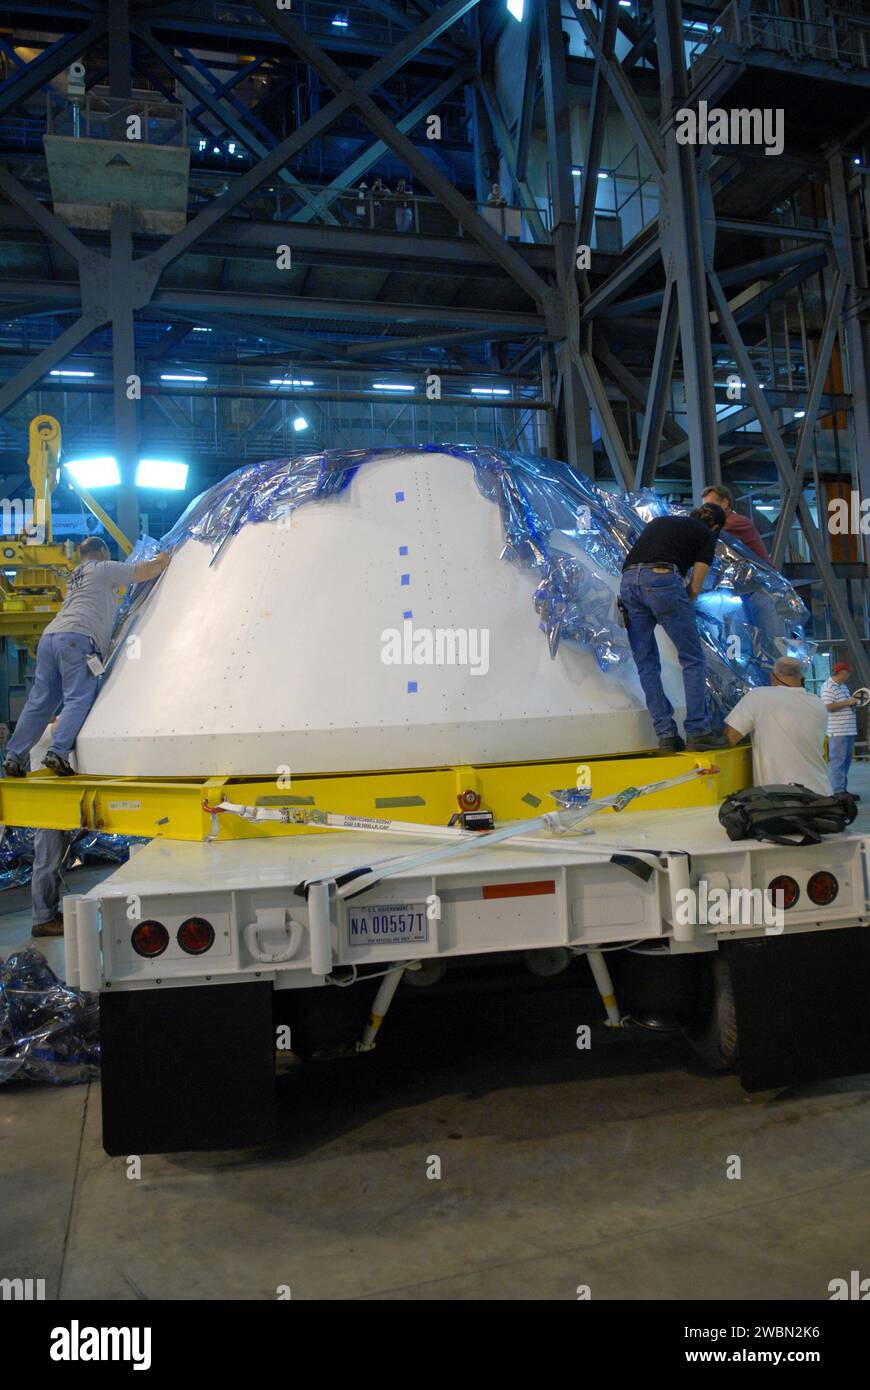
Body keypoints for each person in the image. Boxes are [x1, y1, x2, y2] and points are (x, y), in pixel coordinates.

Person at [3, 537, 170, 778]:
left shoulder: (75, 576)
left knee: (39, 702)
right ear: (102, 552)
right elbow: (144, 571)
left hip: (50, 638)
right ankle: (58, 752)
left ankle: (13, 756)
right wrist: (162, 560)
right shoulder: (103, 568)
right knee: (78, 696)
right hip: (77, 638)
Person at [619, 503, 726, 752]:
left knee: (646, 663)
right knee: (692, 659)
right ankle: (698, 731)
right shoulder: (706, 534)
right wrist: (683, 604)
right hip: (662, 577)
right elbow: (696, 586)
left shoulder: (660, 522)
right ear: (716, 526)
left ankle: (666, 734)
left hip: (628, 583)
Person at [722, 656, 832, 795]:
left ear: (772, 676)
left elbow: (730, 738)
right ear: (801, 677)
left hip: (782, 800)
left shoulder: (758, 696)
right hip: (822, 795)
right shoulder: (818, 703)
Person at [701, 484, 770, 563]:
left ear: (724, 503)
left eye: (709, 506)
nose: (705, 511)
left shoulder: (735, 522)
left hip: (762, 573)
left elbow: (707, 536)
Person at [820, 661, 859, 794]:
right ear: (842, 673)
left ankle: (842, 790)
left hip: (848, 730)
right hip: (838, 731)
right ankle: (838, 792)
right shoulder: (828, 687)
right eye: (847, 673)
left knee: (846, 762)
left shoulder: (843, 686)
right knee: (838, 762)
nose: (848, 675)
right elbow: (827, 707)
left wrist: (852, 704)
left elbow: (842, 704)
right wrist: (848, 702)